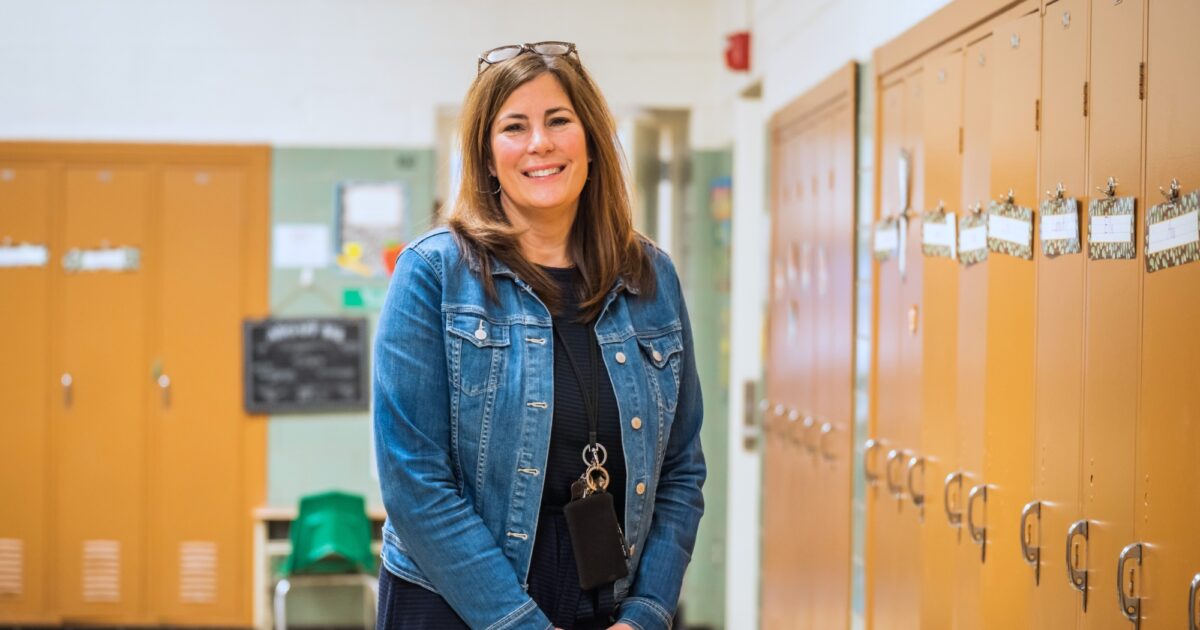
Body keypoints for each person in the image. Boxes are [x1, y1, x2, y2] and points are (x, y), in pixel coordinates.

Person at [373, 41, 705, 630]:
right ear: (486, 155)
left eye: (558, 121)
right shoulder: (433, 275)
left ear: (592, 143)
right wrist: (518, 621)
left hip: (604, 599)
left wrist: (648, 612)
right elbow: (414, 483)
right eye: (514, 127)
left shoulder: (650, 278)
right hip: (454, 601)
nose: (539, 144)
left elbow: (681, 469)